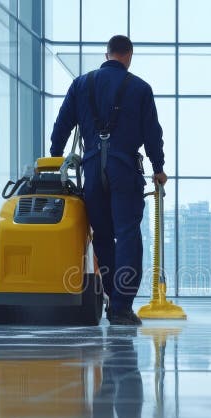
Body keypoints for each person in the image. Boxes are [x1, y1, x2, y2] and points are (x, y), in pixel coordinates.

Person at [50, 35, 167, 326]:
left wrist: (55, 156)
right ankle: (121, 307)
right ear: (129, 55)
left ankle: (112, 298)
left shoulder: (81, 84)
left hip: (91, 169)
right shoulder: (140, 88)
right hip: (124, 169)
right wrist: (158, 167)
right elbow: (152, 133)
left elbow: (62, 123)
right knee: (127, 235)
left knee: (102, 236)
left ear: (107, 54)